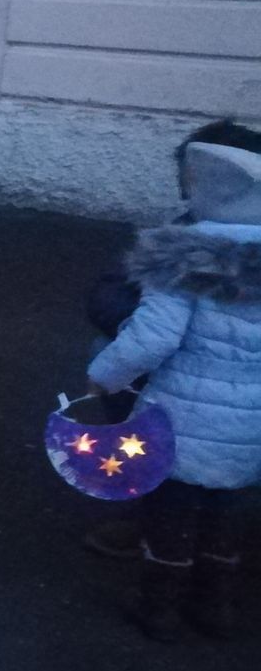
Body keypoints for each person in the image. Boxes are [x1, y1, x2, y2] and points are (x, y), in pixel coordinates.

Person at [89, 141, 261, 642]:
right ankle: (215, 605)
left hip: (179, 419)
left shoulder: (182, 259)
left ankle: (159, 608)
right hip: (250, 423)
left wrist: (104, 375)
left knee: (170, 511)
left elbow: (152, 339)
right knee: (227, 511)